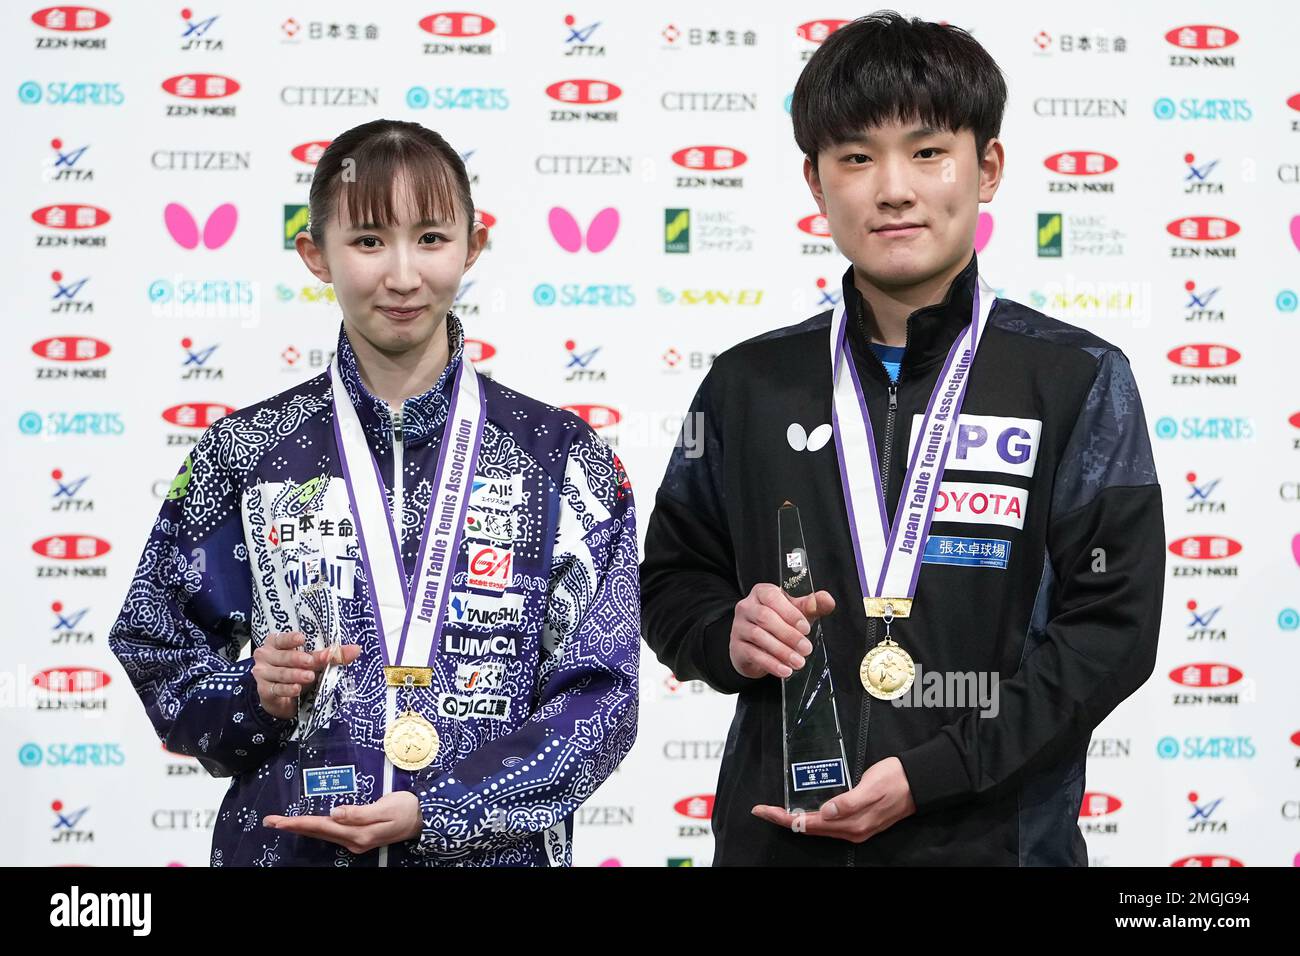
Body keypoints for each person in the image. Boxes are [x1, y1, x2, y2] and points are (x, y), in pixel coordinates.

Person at [640, 11, 1165, 865]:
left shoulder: (1074, 379)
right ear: (816, 184)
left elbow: (1112, 632)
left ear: (986, 168)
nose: (893, 188)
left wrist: (938, 771)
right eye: (855, 157)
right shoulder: (747, 383)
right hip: (781, 839)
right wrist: (722, 635)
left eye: (927, 152)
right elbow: (671, 581)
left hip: (998, 839)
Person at [109, 118, 639, 867]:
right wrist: (252, 695)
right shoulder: (245, 452)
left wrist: (444, 809)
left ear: (473, 246)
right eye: (366, 241)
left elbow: (601, 699)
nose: (401, 275)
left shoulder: (562, 459)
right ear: (314, 254)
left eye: (430, 238)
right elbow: (155, 644)